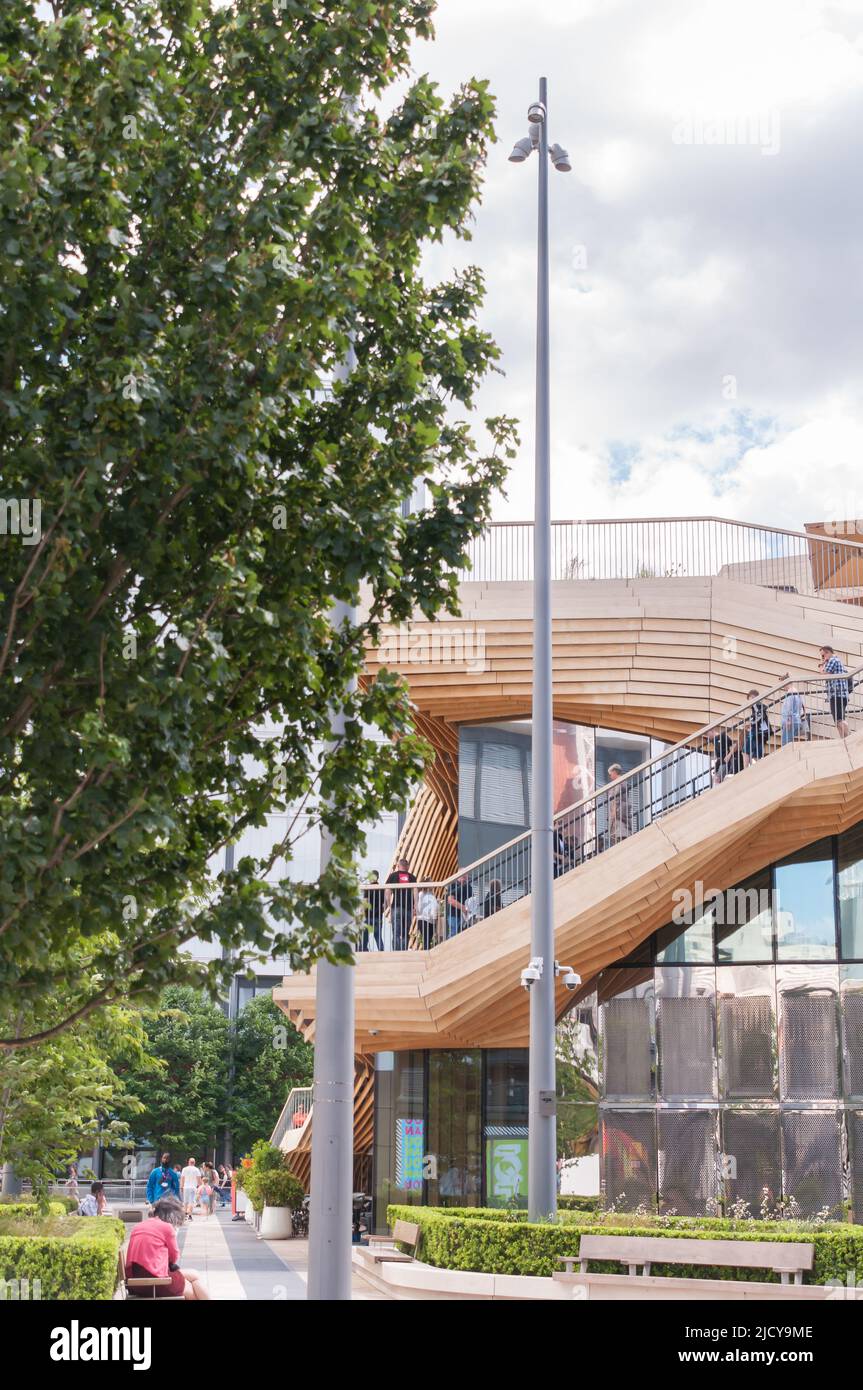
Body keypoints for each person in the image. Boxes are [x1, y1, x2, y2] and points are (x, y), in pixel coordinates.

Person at [126, 1196, 210, 1300]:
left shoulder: (138, 1226)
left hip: (135, 1281)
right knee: (192, 1288)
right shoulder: (166, 1227)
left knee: (194, 1276)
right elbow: (174, 1257)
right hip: (157, 1279)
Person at [384, 858, 417, 951]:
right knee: (405, 932)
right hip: (408, 908)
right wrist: (415, 906)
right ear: (407, 866)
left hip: (397, 907)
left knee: (396, 932)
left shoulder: (393, 876)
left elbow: (387, 891)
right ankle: (403, 951)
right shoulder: (412, 877)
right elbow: (415, 892)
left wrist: (389, 905)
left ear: (398, 866)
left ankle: (396, 952)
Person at [819, 645, 850, 738]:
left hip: (837, 694)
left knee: (839, 719)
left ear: (828, 652)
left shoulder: (833, 660)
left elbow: (824, 674)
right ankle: (844, 739)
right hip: (839, 694)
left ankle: (849, 738)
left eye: (823, 656)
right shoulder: (837, 660)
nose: (822, 658)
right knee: (838, 720)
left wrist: (821, 665)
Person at [743, 689, 769, 765]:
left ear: (753, 697)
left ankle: (745, 770)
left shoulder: (757, 706)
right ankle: (760, 768)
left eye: (749, 699)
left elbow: (760, 716)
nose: (749, 702)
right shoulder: (756, 707)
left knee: (746, 750)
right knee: (756, 754)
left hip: (759, 732)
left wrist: (751, 723)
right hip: (761, 732)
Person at [446, 871, 474, 938]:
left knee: (463, 935)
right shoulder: (453, 885)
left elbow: (472, 900)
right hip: (454, 914)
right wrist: (463, 908)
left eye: (466, 877)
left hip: (465, 916)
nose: (465, 879)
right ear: (458, 876)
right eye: (463, 877)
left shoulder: (469, 886)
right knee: (453, 933)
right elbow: (450, 900)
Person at [362, 870, 383, 950]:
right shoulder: (381, 888)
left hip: (368, 917)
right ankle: (382, 952)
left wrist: (362, 914)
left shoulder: (368, 888)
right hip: (378, 917)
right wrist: (381, 911)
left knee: (365, 939)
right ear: (377, 877)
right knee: (378, 937)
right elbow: (384, 904)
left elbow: (365, 902)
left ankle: (363, 953)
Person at [415, 885, 439, 949]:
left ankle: (426, 954)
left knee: (426, 940)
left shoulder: (421, 894)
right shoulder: (429, 896)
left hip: (423, 919)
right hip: (428, 920)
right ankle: (427, 956)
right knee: (427, 940)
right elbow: (434, 908)